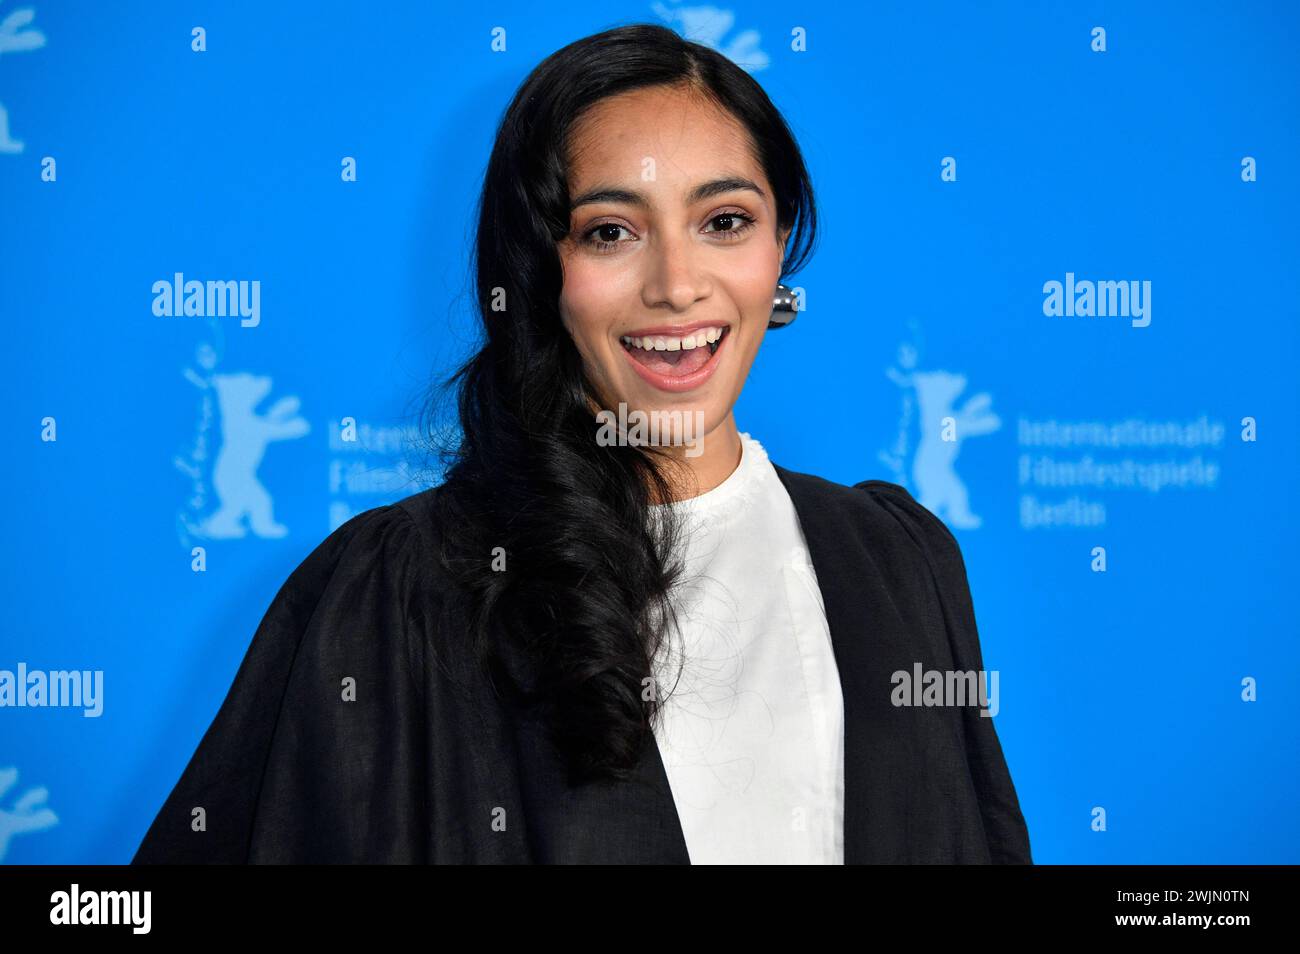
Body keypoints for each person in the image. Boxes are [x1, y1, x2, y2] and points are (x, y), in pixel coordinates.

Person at [131, 23, 1032, 865]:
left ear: (779, 249)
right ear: (538, 273)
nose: (678, 285)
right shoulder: (398, 590)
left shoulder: (899, 557)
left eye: (725, 221)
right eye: (611, 232)